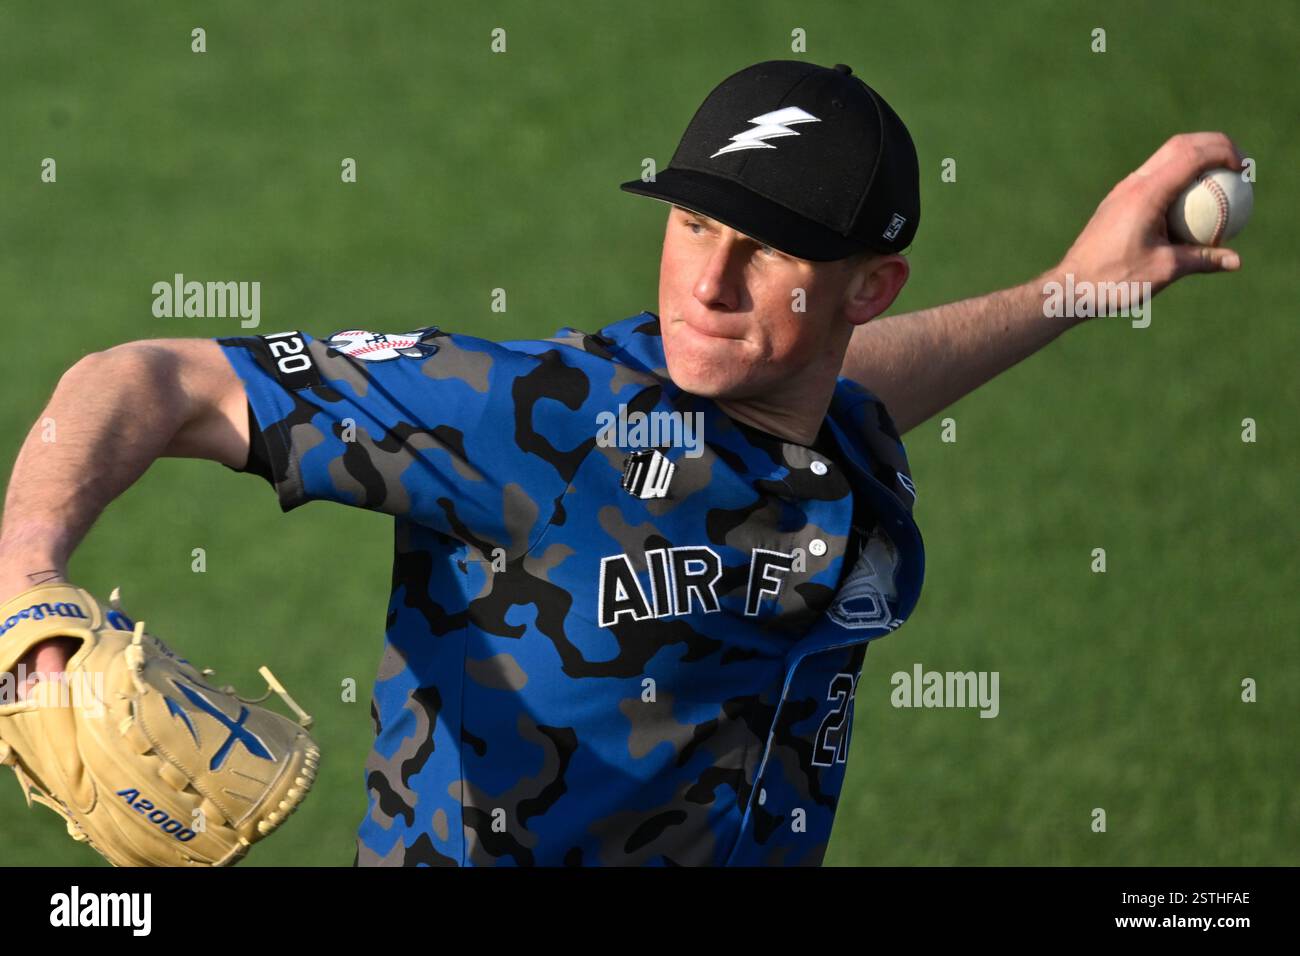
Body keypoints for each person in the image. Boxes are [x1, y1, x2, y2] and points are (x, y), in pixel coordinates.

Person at [0, 60, 1243, 866]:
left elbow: (845, 390)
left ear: (869, 285)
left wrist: (1073, 291)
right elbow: (151, 378)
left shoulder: (824, 426)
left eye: (768, 252)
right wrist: (27, 595)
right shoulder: (526, 419)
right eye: (694, 222)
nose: (706, 280)